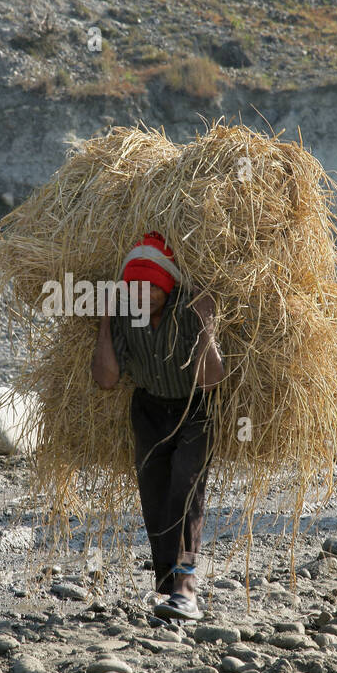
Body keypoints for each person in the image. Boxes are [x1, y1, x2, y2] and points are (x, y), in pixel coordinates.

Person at [91, 232, 224, 620]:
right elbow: (106, 379)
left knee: (186, 485)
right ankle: (168, 587)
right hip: (148, 410)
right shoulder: (125, 314)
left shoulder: (189, 311)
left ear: (168, 286)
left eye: (153, 285)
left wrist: (207, 328)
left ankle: (186, 588)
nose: (144, 293)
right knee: (155, 494)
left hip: (195, 409)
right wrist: (103, 322)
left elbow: (212, 380)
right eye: (136, 286)